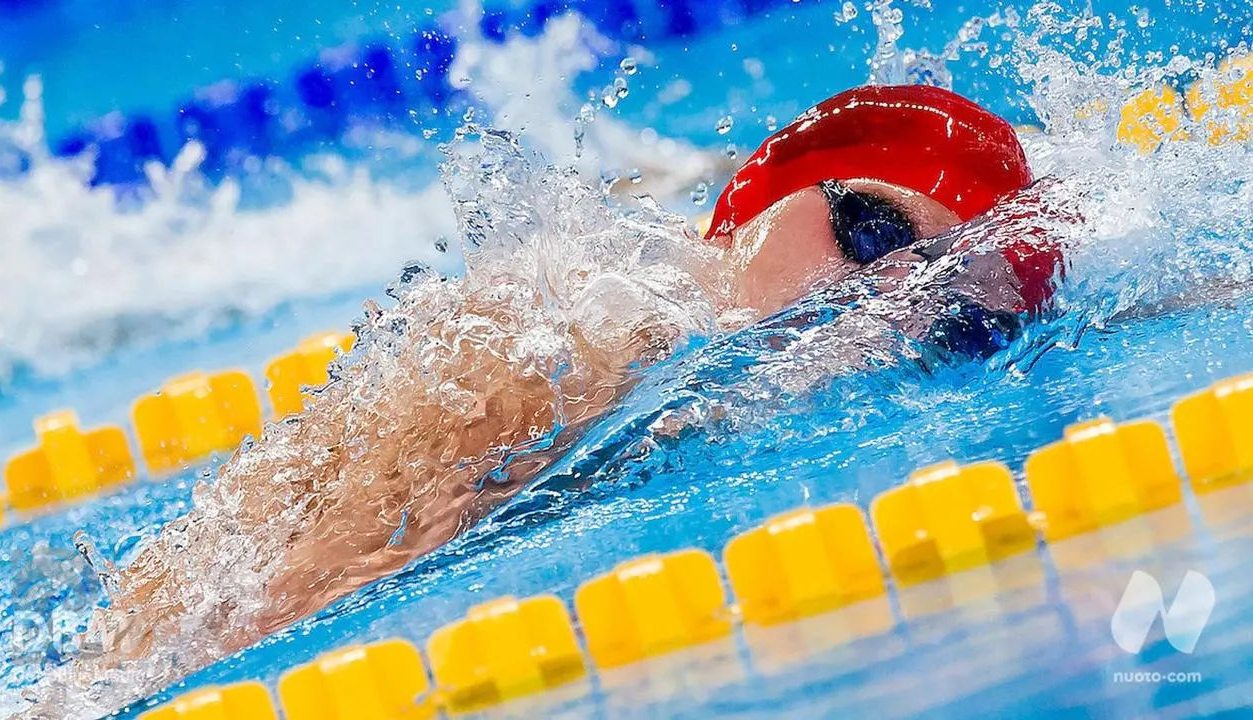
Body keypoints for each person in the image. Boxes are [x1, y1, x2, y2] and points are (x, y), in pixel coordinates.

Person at [78, 84, 1060, 683]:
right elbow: (253, 620)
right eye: (874, 233)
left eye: (953, 312)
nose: (887, 298)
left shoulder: (684, 371)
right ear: (748, 210)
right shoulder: (574, 335)